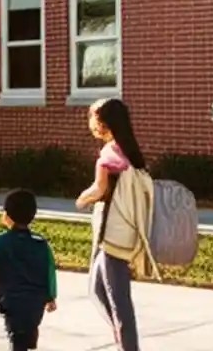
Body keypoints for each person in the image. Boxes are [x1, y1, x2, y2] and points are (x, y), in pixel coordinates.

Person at [75, 98, 148, 351]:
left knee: (119, 302)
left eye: (93, 118)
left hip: (113, 234)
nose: (90, 123)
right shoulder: (130, 151)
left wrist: (81, 199)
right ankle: (123, 340)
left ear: (104, 123)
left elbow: (99, 188)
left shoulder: (110, 154)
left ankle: (128, 345)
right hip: (123, 229)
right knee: (98, 288)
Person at [0, 189, 58, 351]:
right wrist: (51, 296)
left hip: (11, 300)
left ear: (7, 215)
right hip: (36, 301)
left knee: (16, 335)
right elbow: (50, 270)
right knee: (28, 331)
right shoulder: (41, 244)